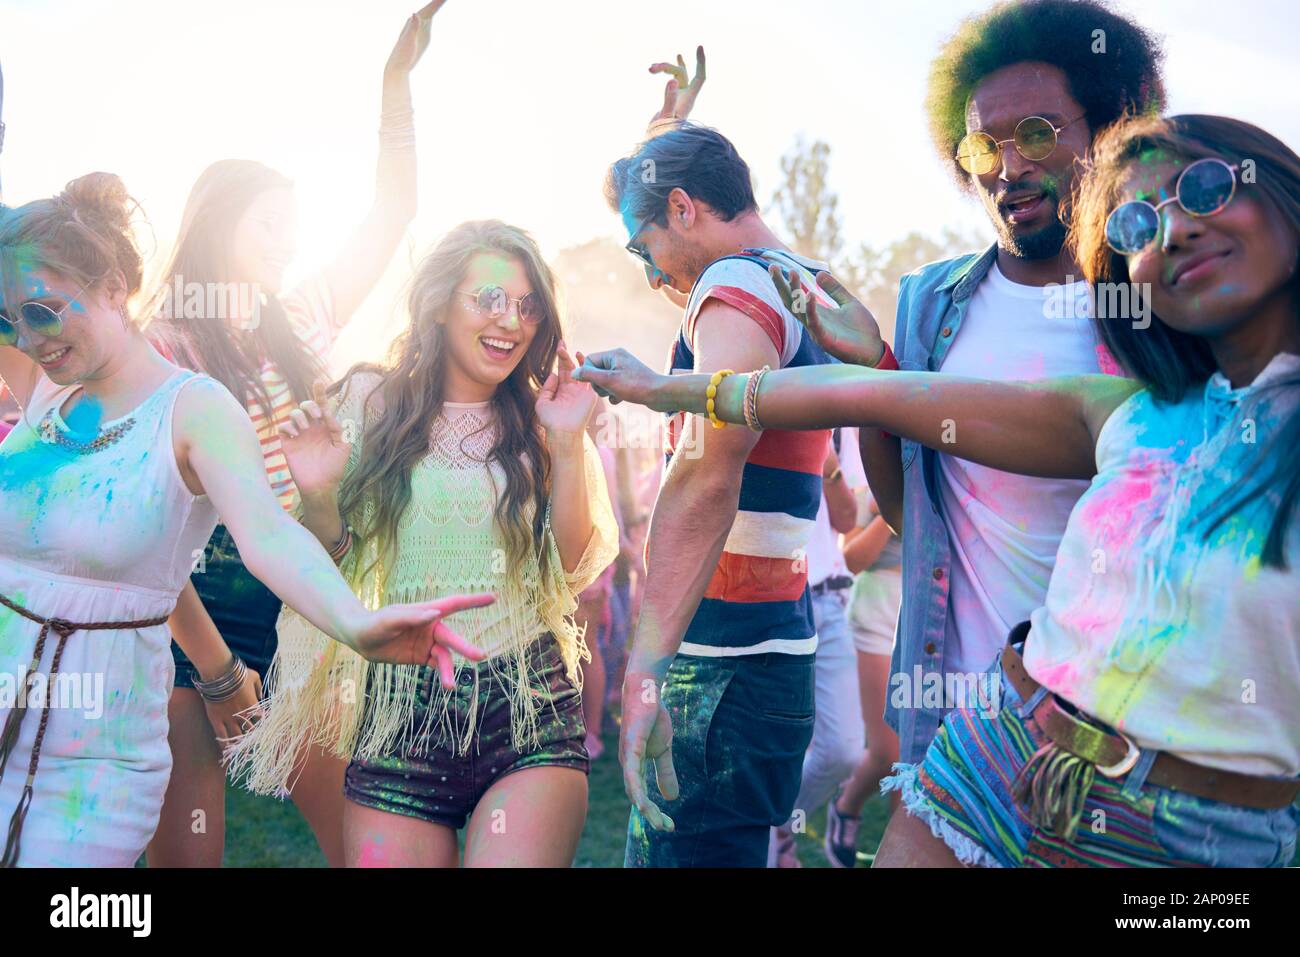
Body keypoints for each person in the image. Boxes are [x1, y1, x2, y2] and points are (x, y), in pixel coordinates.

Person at [573, 111, 1300, 867]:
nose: (1172, 231)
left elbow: (731, 465)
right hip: (995, 762)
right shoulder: (1127, 411)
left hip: (1198, 833)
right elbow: (872, 399)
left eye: (1206, 189)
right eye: (1136, 225)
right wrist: (672, 388)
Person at [0, 174, 490, 868]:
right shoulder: (48, 376)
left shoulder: (198, 402)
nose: (25, 336)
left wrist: (351, 618)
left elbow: (265, 531)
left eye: (43, 312)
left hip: (113, 740)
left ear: (112, 285)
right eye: (7, 320)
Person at [793, 0, 1166, 771]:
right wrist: (877, 375)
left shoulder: (1161, 299)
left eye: (1037, 132)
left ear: (1107, 131)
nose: (1007, 167)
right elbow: (912, 511)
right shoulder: (930, 301)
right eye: (980, 145)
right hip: (959, 715)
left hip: (1118, 721)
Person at [144, 2, 446, 867]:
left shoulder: (305, 314)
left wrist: (395, 90)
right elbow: (152, 520)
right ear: (215, 223)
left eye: (293, 225)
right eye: (268, 223)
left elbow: (392, 215)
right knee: (188, 852)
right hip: (191, 605)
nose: (286, 242)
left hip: (301, 597)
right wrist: (210, 668)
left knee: (354, 836)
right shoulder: (163, 343)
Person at [225, 220, 618, 867]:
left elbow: (572, 569)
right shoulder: (367, 401)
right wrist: (319, 494)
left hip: (524, 708)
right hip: (399, 717)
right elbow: (324, 562)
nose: (512, 321)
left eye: (526, 305)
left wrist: (570, 441)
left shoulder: (544, 415)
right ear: (439, 302)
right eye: (489, 298)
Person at [605, 113, 839, 866]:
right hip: (772, 653)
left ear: (682, 207)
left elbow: (709, 473)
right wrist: (664, 132)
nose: (651, 276)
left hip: (720, 666)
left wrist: (644, 671)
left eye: (646, 250)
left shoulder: (736, 284)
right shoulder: (792, 276)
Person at [769, 427, 866, 867]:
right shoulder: (756, 395)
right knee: (774, 744)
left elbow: (846, 521)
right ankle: (767, 839)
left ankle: (776, 822)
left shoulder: (839, 423)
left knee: (845, 748)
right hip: (773, 600)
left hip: (828, 597)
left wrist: (828, 463)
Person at [824, 484, 902, 867]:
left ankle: (903, 854)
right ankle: (846, 806)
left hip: (934, 610)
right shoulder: (874, 478)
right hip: (877, 614)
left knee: (916, 758)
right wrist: (892, 510)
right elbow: (851, 560)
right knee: (889, 753)